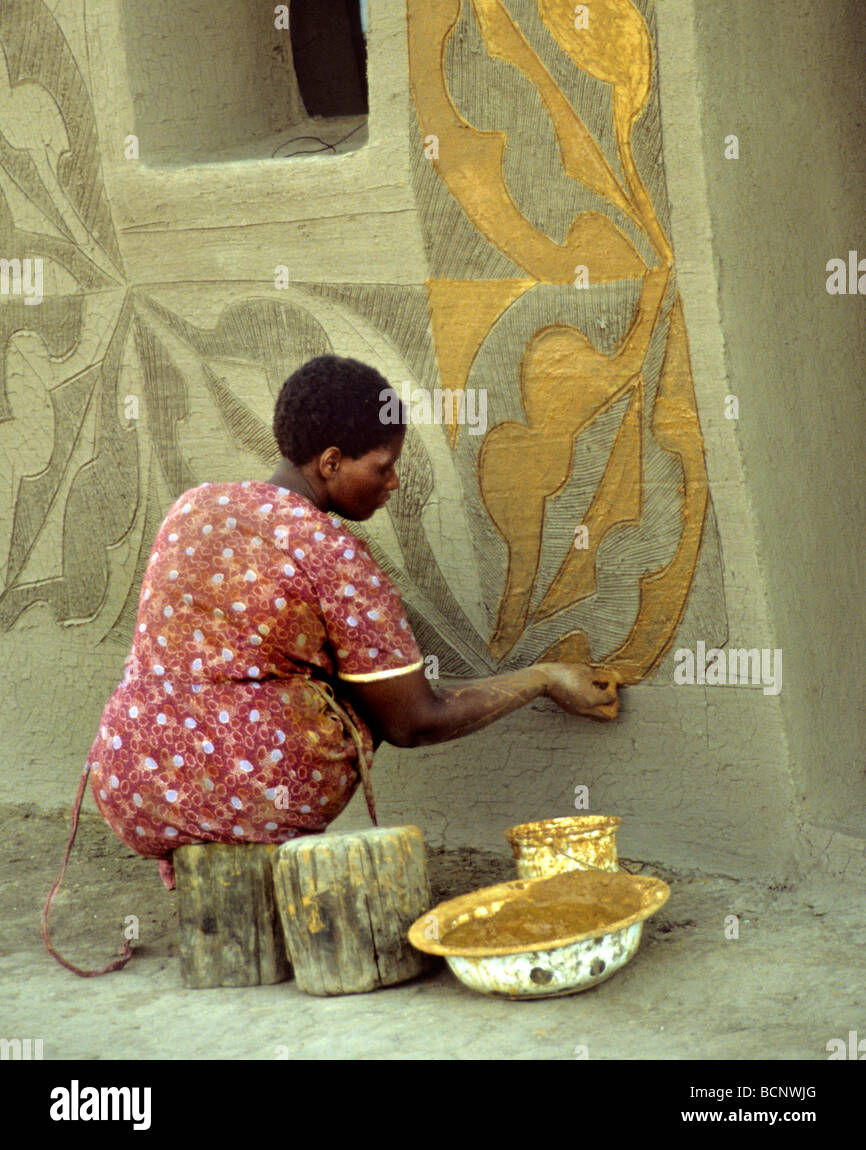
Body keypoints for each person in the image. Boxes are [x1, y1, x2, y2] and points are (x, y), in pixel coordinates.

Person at [42, 354, 622, 975]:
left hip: (129, 781)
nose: (394, 482)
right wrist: (543, 678)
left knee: (283, 675)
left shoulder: (191, 508)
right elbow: (413, 721)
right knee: (358, 702)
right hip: (254, 791)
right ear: (330, 463)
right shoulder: (332, 551)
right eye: (385, 466)